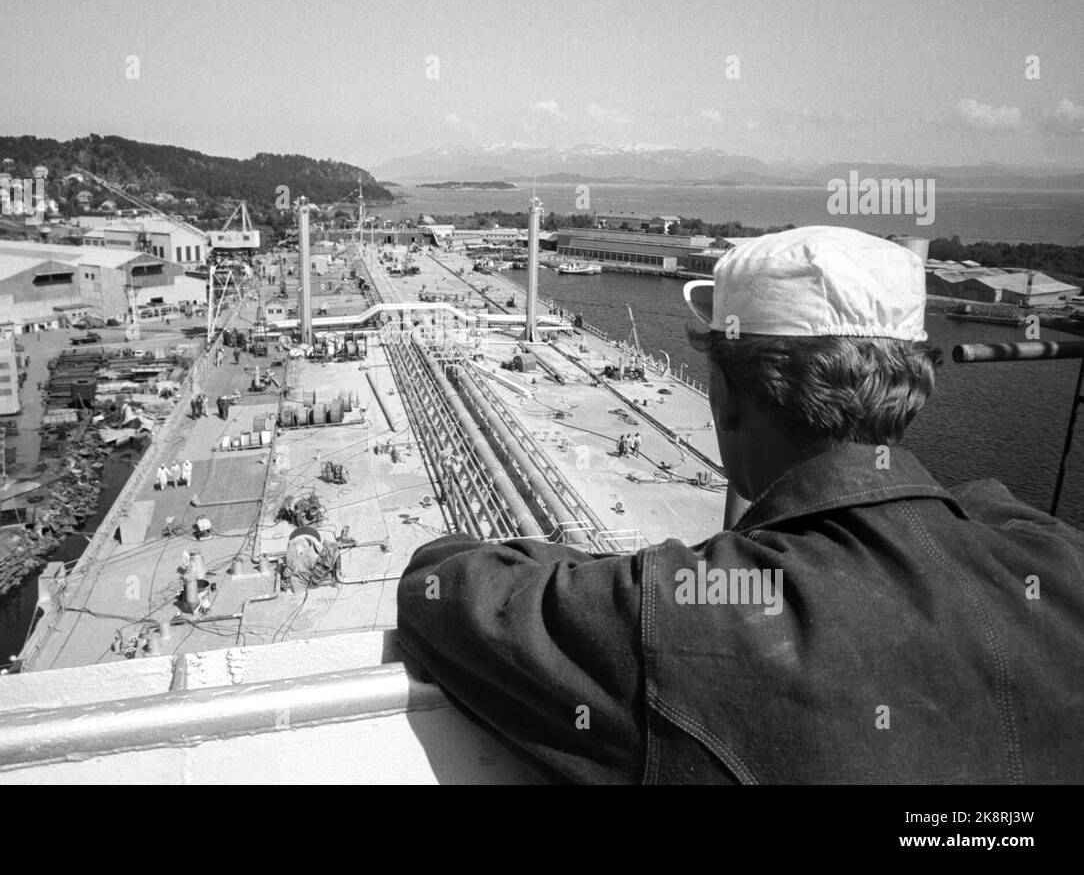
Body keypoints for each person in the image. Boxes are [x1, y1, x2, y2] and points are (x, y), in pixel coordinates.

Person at [396, 226, 1084, 784]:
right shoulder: (1056, 565)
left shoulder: (683, 615)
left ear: (725, 398)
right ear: (913, 389)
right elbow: (989, 507)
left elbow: (442, 586)